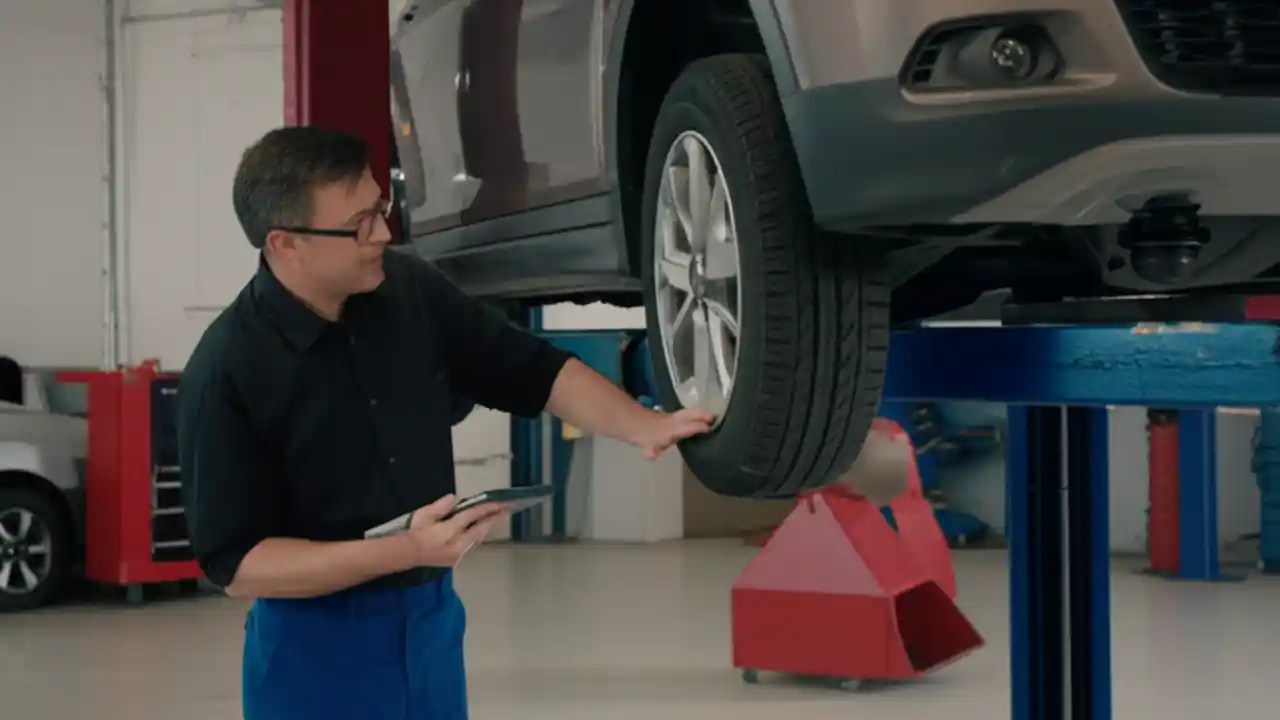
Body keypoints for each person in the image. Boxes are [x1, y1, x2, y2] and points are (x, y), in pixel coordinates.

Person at [177, 125, 715, 720]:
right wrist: (403, 550)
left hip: (427, 624)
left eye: (380, 209)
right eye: (359, 225)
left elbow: (531, 370)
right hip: (314, 650)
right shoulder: (226, 370)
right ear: (285, 244)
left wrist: (642, 426)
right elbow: (240, 566)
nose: (383, 233)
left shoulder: (409, 293)